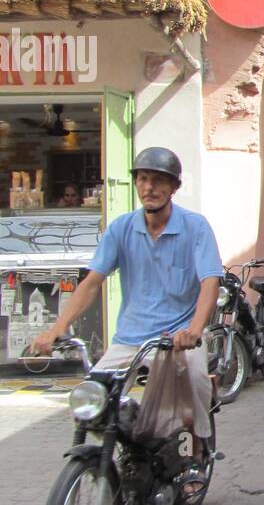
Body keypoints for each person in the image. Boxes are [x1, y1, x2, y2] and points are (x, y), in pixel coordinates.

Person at [29, 148, 223, 483]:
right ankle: (128, 449)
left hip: (177, 340)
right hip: (129, 339)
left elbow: (209, 282)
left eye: (159, 181)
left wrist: (194, 330)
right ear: (136, 183)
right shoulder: (121, 228)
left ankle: (195, 453)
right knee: (92, 400)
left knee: (192, 387)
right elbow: (92, 283)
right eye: (144, 179)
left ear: (173, 187)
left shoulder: (195, 227)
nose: (150, 187)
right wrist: (57, 328)